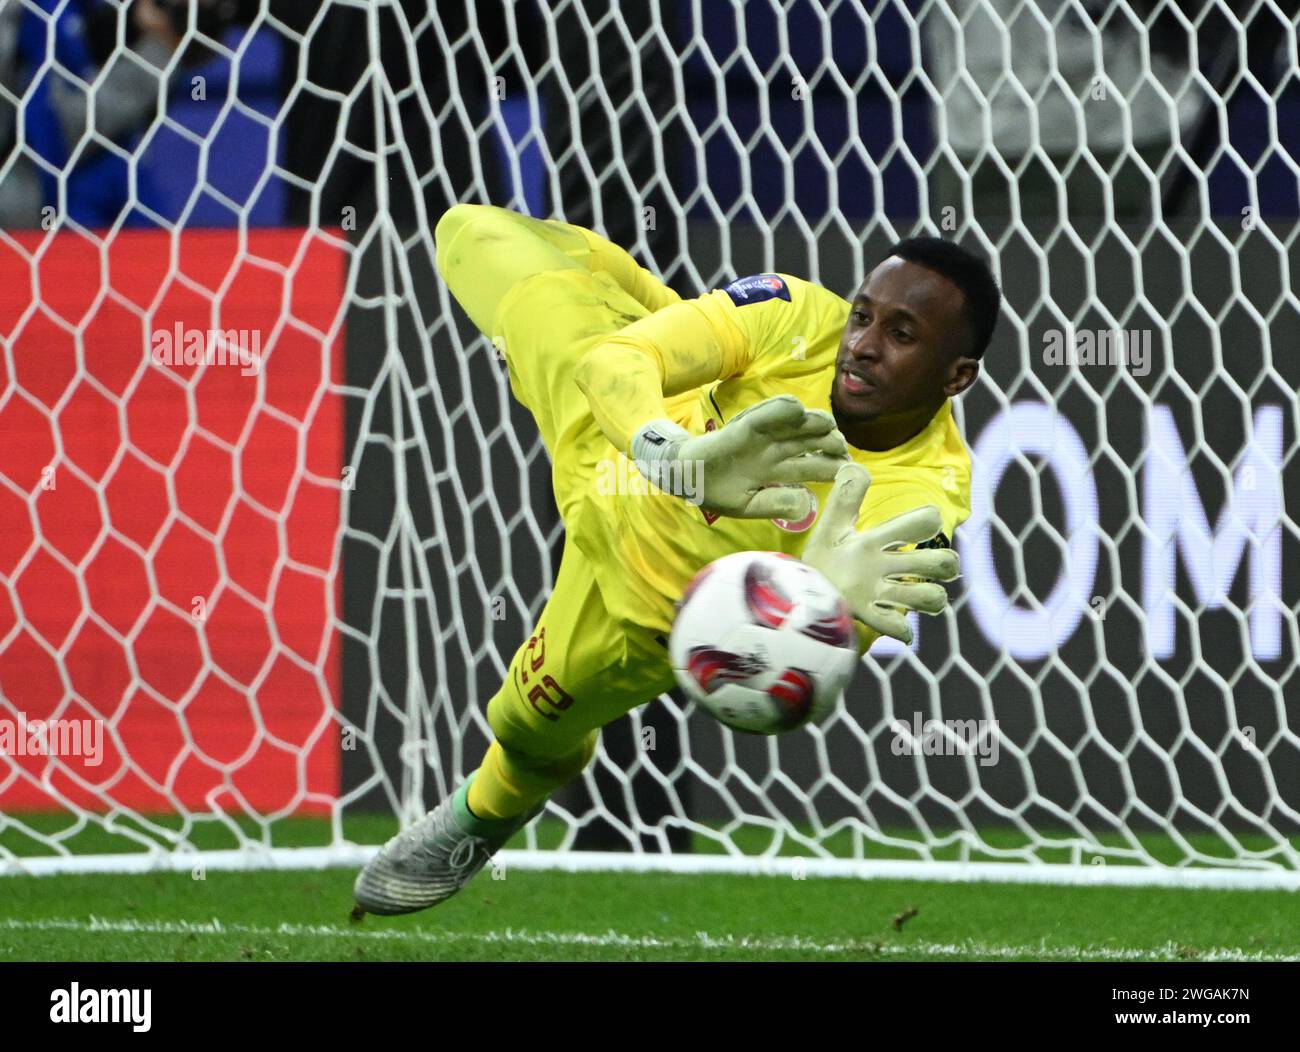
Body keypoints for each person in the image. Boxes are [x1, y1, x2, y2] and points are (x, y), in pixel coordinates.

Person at [352, 204, 1000, 916]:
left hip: (639, 612)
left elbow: (798, 673)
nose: (863, 346)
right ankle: (628, 285)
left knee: (525, 730)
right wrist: (680, 459)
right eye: (862, 316)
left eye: (902, 335)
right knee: (469, 234)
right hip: (607, 432)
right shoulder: (794, 315)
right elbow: (614, 364)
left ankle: (479, 820)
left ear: (957, 376)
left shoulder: (924, 501)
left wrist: (829, 614)